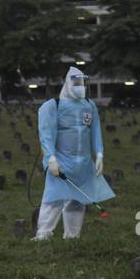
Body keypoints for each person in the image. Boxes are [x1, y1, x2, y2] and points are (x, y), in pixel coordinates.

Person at [34, 66, 114, 240]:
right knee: (53, 198)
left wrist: (99, 154)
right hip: (61, 160)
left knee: (77, 200)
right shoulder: (53, 106)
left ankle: (72, 235)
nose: (81, 86)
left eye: (83, 83)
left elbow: (95, 131)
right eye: (77, 83)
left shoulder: (89, 106)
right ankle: (43, 233)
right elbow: (46, 135)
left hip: (83, 163)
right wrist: (51, 158)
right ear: (69, 84)